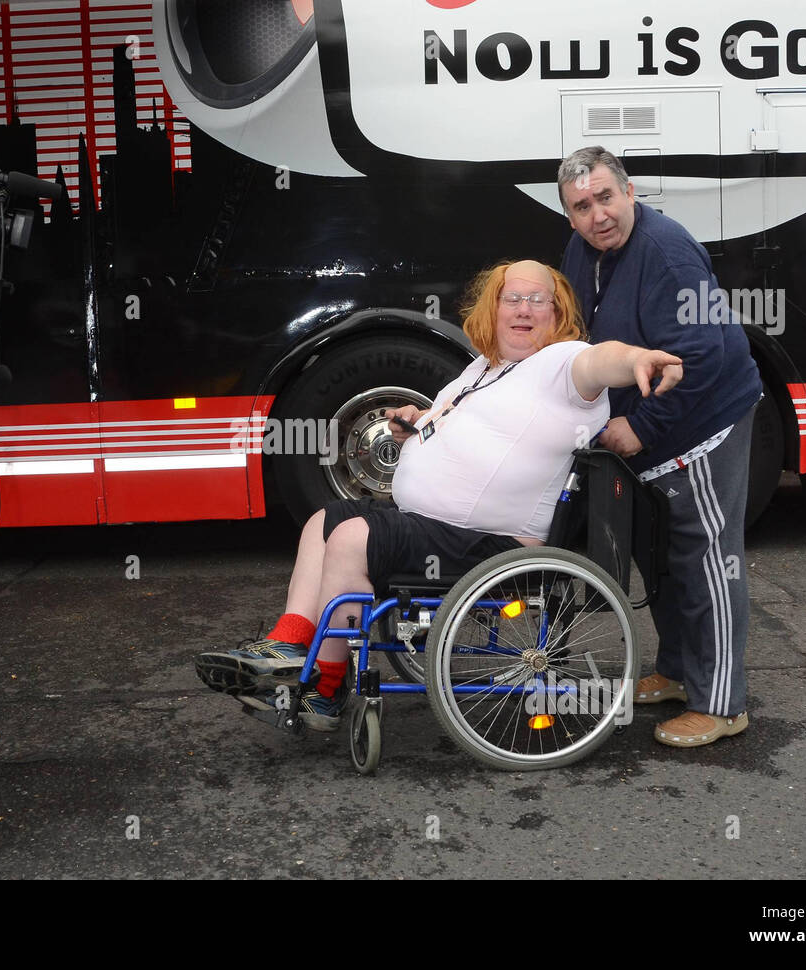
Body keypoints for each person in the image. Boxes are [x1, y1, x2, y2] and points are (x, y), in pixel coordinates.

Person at [194, 259, 683, 730]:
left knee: (349, 539)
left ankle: (323, 687)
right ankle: (289, 644)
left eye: (539, 300)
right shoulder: (483, 369)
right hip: (440, 529)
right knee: (325, 521)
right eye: (513, 298)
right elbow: (450, 429)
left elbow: (602, 360)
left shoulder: (561, 365)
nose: (525, 310)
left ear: (557, 316)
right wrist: (416, 429)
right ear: (494, 309)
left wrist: (638, 359)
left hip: (497, 544)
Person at [557, 146, 762, 748]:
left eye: (605, 198)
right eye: (582, 207)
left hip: (703, 424)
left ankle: (722, 702)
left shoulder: (665, 253)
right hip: (652, 432)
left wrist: (641, 426)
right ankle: (677, 671)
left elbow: (703, 356)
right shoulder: (584, 250)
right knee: (663, 555)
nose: (598, 215)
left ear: (630, 191)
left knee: (707, 557)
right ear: (568, 215)